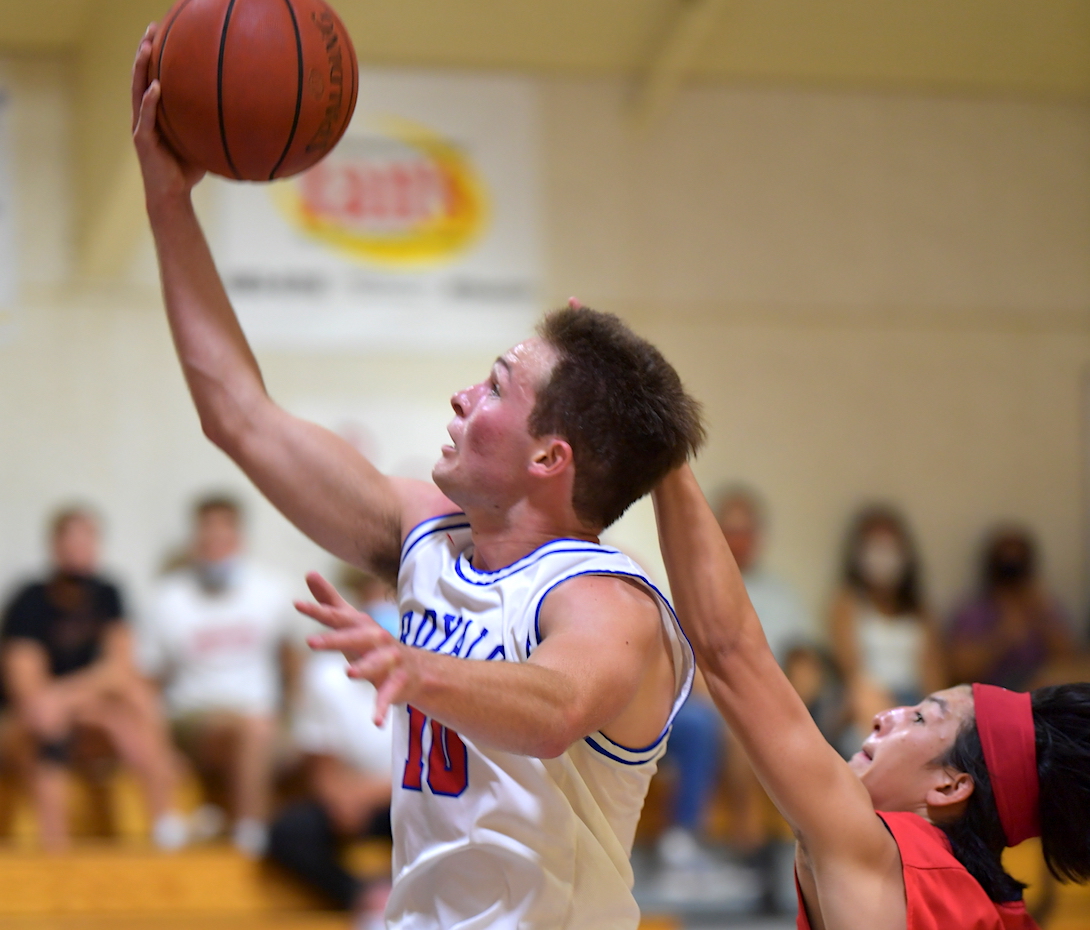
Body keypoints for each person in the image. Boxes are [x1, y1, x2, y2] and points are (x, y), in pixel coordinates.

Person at [132, 27, 700, 929]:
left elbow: (556, 705)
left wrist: (415, 665)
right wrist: (168, 202)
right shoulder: (426, 533)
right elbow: (238, 414)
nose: (464, 396)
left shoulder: (604, 600)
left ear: (550, 458)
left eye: (496, 387)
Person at [653, 465, 1090, 930]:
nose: (886, 715)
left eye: (920, 717)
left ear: (950, 786)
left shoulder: (876, 845)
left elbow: (728, 651)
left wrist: (667, 459)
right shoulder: (1001, 910)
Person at [0, 507, 183, 851]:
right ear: (54, 545)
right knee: (47, 729)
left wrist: (67, 700)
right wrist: (70, 702)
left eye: (86, 539)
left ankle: (166, 827)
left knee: (138, 700)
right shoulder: (29, 601)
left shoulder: (108, 593)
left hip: (81, 711)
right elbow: (27, 690)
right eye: (70, 539)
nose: (78, 548)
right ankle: (56, 849)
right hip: (29, 725)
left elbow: (120, 670)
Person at [139, 495, 301, 857]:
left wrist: (294, 718)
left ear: (239, 537)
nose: (215, 542)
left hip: (259, 718)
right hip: (194, 717)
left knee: (266, 731)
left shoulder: (272, 591)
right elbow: (147, 681)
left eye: (223, 533)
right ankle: (251, 835)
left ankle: (250, 831)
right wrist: (158, 745)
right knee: (256, 729)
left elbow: (293, 663)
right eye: (207, 533)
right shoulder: (168, 598)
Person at [268, 646, 393, 926]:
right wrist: (340, 798)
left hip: (405, 797)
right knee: (290, 832)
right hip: (351, 798)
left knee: (445, 816)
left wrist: (364, 794)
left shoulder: (427, 670)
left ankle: (399, 891)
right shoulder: (324, 674)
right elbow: (319, 763)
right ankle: (363, 896)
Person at [829, 505, 944, 731]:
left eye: (889, 546)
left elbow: (934, 680)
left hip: (914, 703)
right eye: (875, 546)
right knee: (864, 695)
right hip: (866, 704)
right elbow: (851, 671)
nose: (882, 555)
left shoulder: (920, 612)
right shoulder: (847, 603)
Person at [947, 526, 1076, 691]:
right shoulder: (973, 612)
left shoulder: (1044, 607)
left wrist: (1041, 619)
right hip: (991, 692)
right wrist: (1003, 636)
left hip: (1041, 691)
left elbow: (1070, 661)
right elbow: (961, 672)